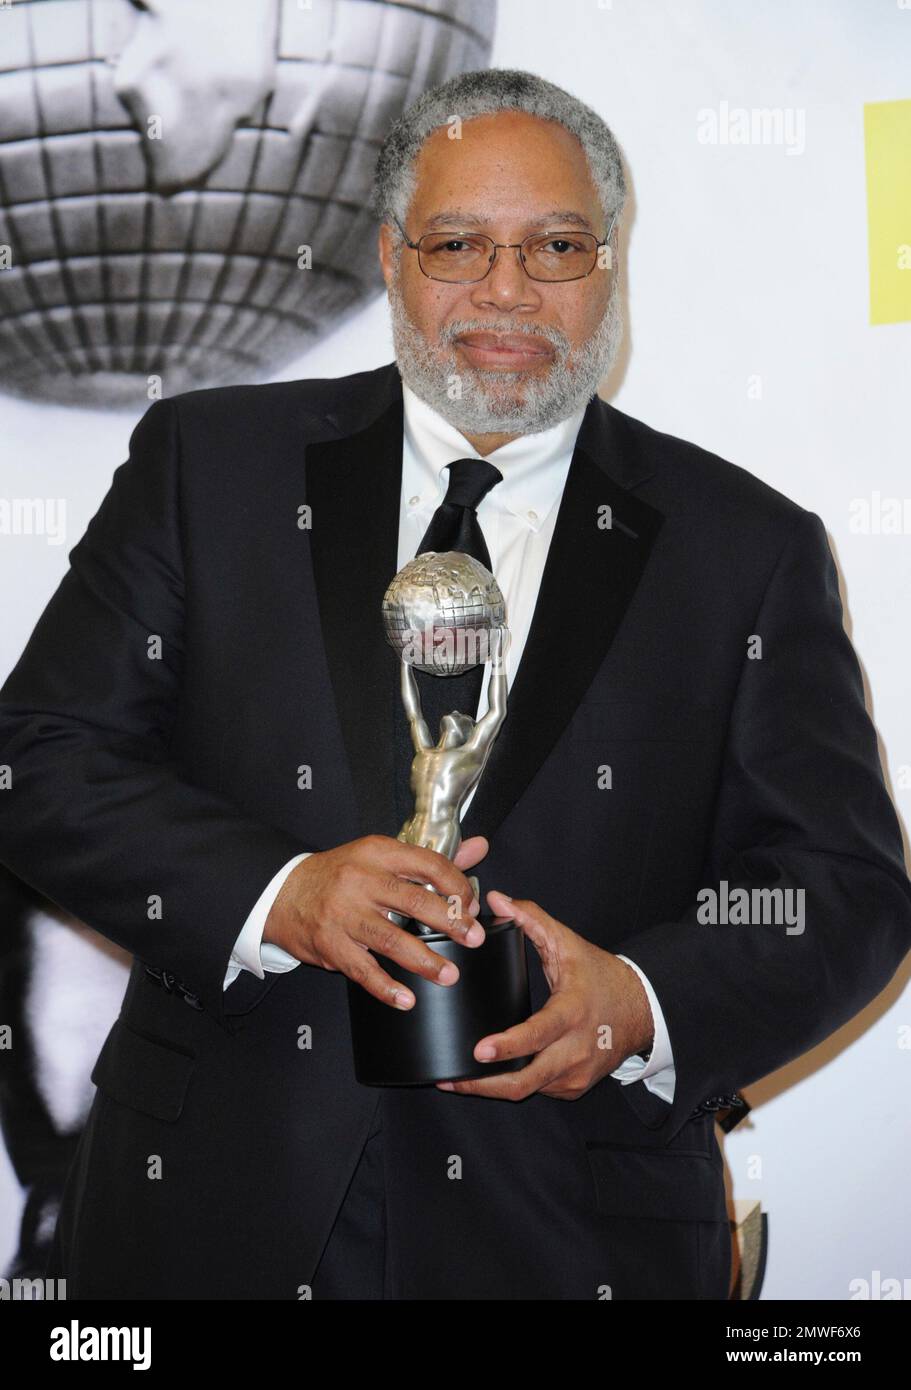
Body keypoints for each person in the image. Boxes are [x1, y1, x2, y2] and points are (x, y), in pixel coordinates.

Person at [1, 68, 909, 1301]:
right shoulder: (208, 467)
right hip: (210, 1215)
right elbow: (40, 758)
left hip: (574, 1231)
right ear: (388, 255)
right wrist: (281, 894)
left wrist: (638, 1002)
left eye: (554, 245)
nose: (504, 288)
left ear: (609, 261)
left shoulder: (745, 548)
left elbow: (840, 891)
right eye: (456, 242)